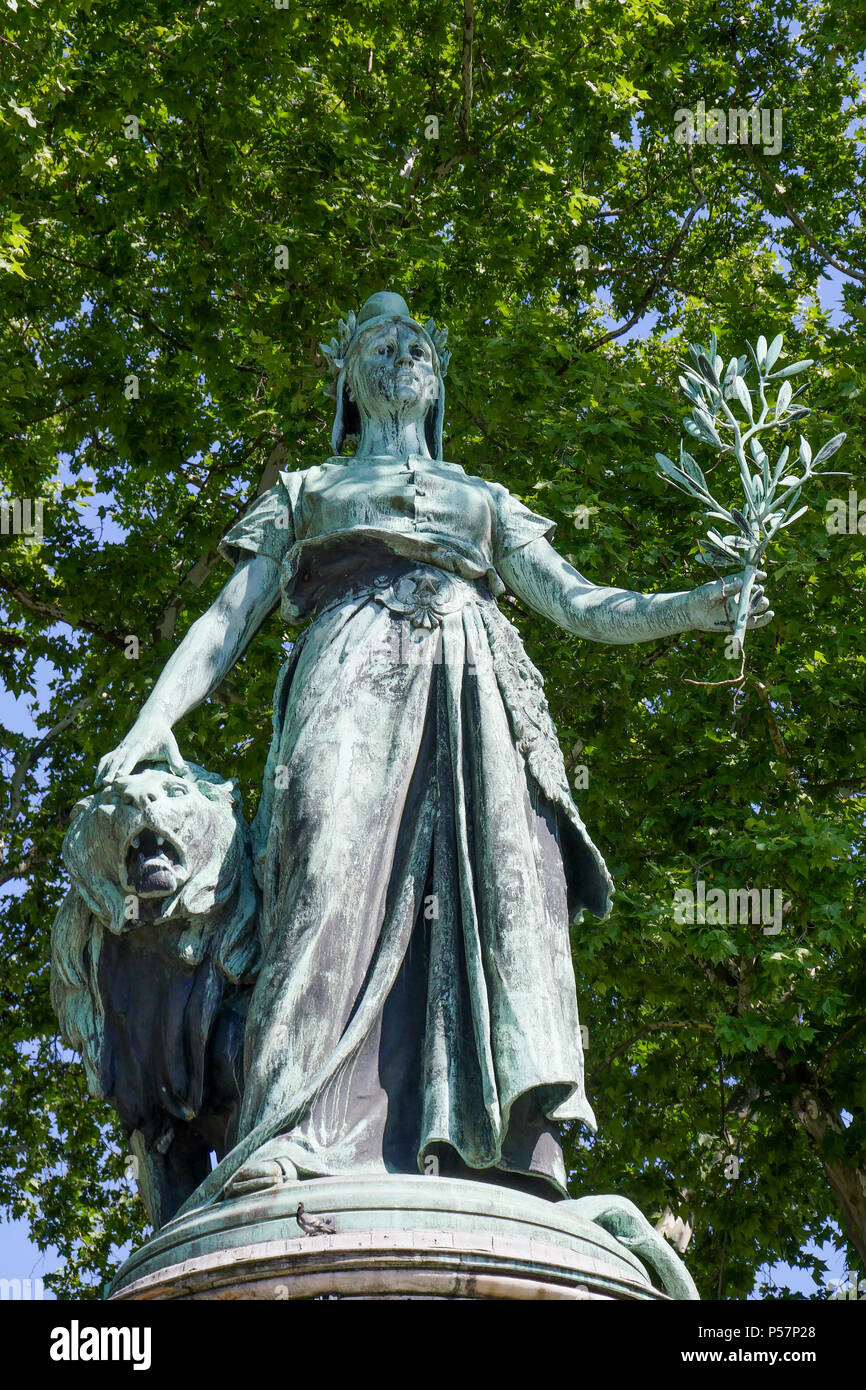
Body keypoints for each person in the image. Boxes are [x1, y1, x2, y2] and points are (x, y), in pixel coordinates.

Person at [96, 291, 772, 1206]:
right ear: (348, 374)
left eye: (418, 342)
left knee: (495, 891)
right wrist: (151, 722)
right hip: (348, 665)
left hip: (474, 687)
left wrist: (695, 607)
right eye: (379, 340)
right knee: (324, 865)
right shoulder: (310, 492)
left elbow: (579, 602)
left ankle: (492, 1147)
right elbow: (227, 620)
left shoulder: (482, 501)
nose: (404, 350)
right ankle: (290, 1128)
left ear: (438, 373)